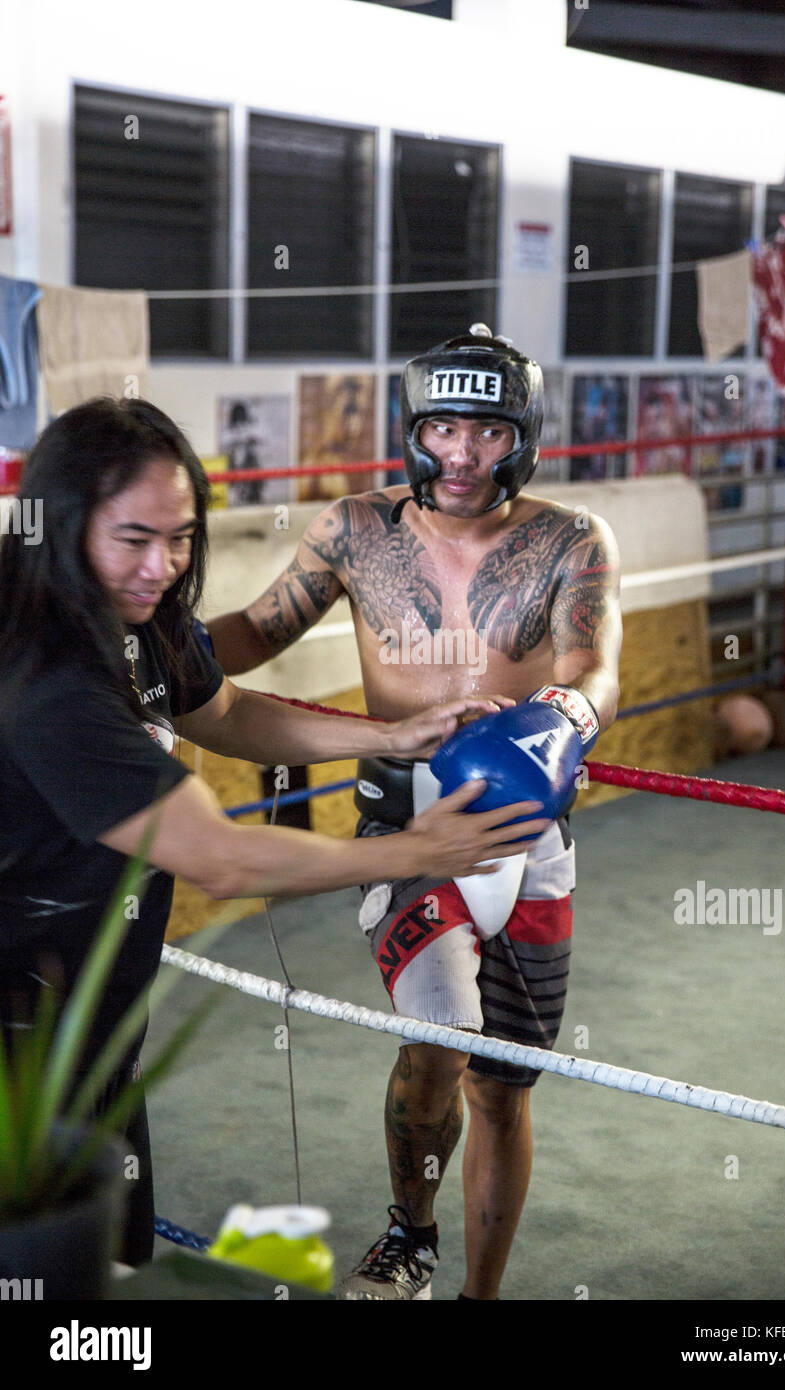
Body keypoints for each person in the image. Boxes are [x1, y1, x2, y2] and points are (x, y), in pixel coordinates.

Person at [0, 396, 550, 1268]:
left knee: (112, 1258)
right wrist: (419, 852)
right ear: (62, 528)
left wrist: (386, 736)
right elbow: (219, 854)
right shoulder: (45, 669)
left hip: (94, 1015)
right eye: (134, 538)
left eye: (180, 537)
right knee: (51, 1271)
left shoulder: (143, 614)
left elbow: (226, 712)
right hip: (18, 1039)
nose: (162, 564)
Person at [207, 325, 622, 1300]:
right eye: (442, 426)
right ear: (413, 428)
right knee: (435, 1042)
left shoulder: (569, 539)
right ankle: (411, 1232)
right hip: (406, 830)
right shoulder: (354, 529)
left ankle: (480, 1293)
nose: (461, 455)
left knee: (504, 1082)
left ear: (518, 433)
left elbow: (590, 663)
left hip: (528, 831)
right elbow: (254, 631)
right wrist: (145, 645)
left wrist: (564, 714)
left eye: (484, 431)